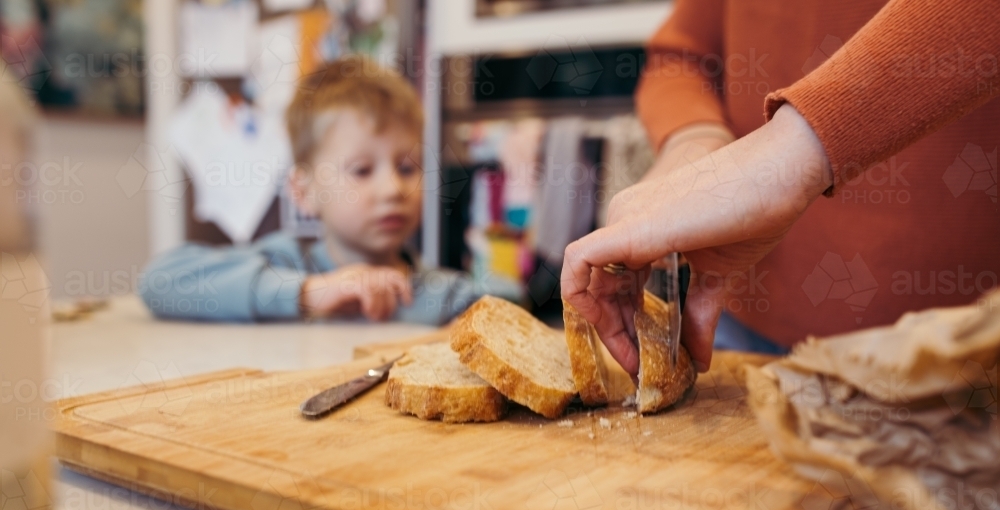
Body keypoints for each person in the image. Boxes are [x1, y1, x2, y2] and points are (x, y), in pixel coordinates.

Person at [562, 0, 1000, 376]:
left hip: (956, 352)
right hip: (736, 328)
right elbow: (682, 56)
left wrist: (790, 150)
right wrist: (694, 144)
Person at [141, 58, 502, 325]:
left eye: (407, 168)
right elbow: (161, 281)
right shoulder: (285, 264)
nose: (393, 188)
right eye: (362, 170)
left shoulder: (451, 297)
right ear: (303, 192)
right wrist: (310, 292)